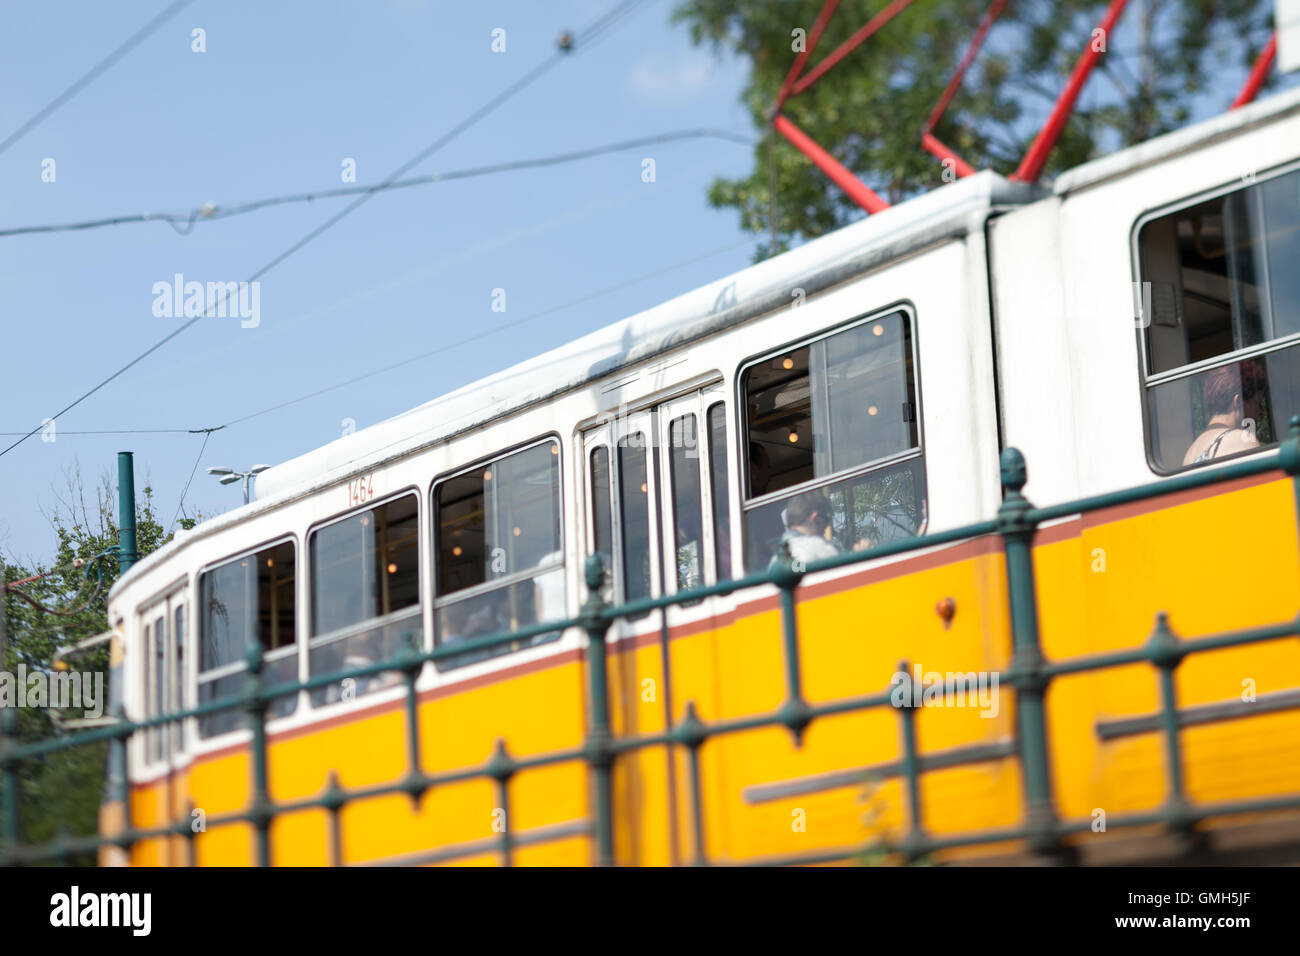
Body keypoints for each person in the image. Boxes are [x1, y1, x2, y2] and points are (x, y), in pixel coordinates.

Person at [1182, 364, 1262, 466]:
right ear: (1238, 403)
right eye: (1258, 403)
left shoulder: (1191, 451)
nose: (1261, 411)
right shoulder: (1243, 439)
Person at [773, 490, 871, 566]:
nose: (826, 527)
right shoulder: (819, 548)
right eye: (827, 520)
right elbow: (845, 574)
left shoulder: (776, 559)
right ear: (815, 518)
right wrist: (860, 556)